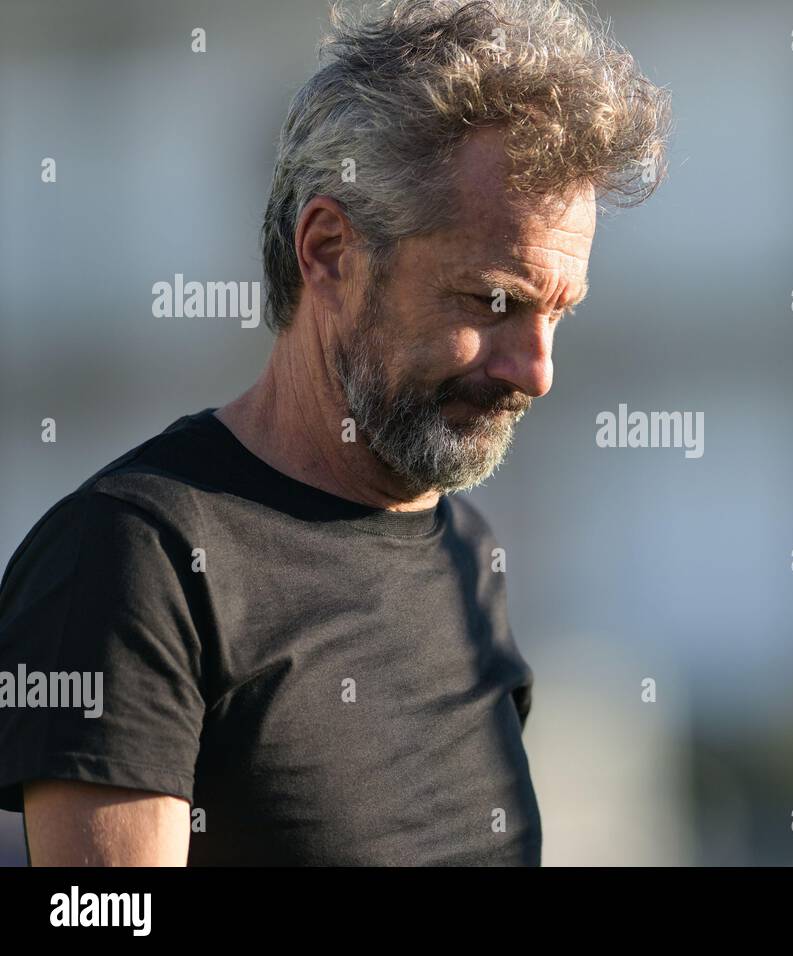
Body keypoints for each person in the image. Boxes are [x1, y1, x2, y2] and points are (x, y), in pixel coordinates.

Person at [0, 0, 670, 865]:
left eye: (557, 314)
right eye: (491, 301)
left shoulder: (465, 554)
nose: (535, 370)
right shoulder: (135, 559)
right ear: (327, 251)